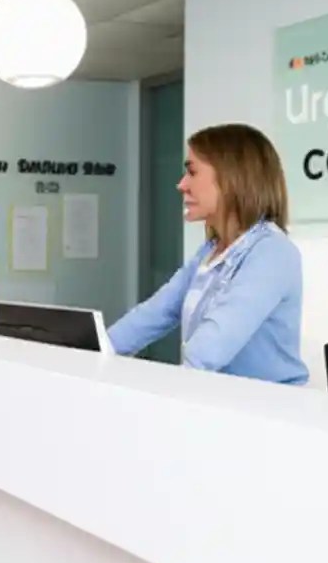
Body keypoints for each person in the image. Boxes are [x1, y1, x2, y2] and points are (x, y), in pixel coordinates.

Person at [107, 123, 309, 385]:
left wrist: (165, 390)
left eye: (192, 172)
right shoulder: (211, 250)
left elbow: (214, 343)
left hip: (267, 412)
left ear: (232, 177)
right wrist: (98, 350)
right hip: (218, 401)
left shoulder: (272, 252)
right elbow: (156, 312)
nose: (182, 185)